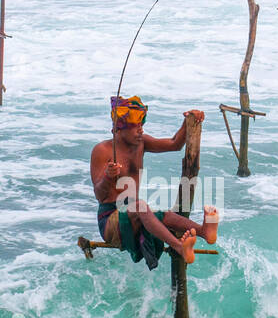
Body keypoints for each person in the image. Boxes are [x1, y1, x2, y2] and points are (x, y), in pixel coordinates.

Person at [90, 96, 220, 270]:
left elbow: (174, 144)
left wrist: (187, 121)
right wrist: (108, 176)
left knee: (162, 215)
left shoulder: (141, 143)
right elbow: (99, 195)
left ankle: (204, 231)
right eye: (136, 127)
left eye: (142, 125)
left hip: (135, 211)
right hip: (110, 222)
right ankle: (179, 246)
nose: (141, 131)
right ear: (119, 129)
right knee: (142, 207)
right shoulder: (102, 150)